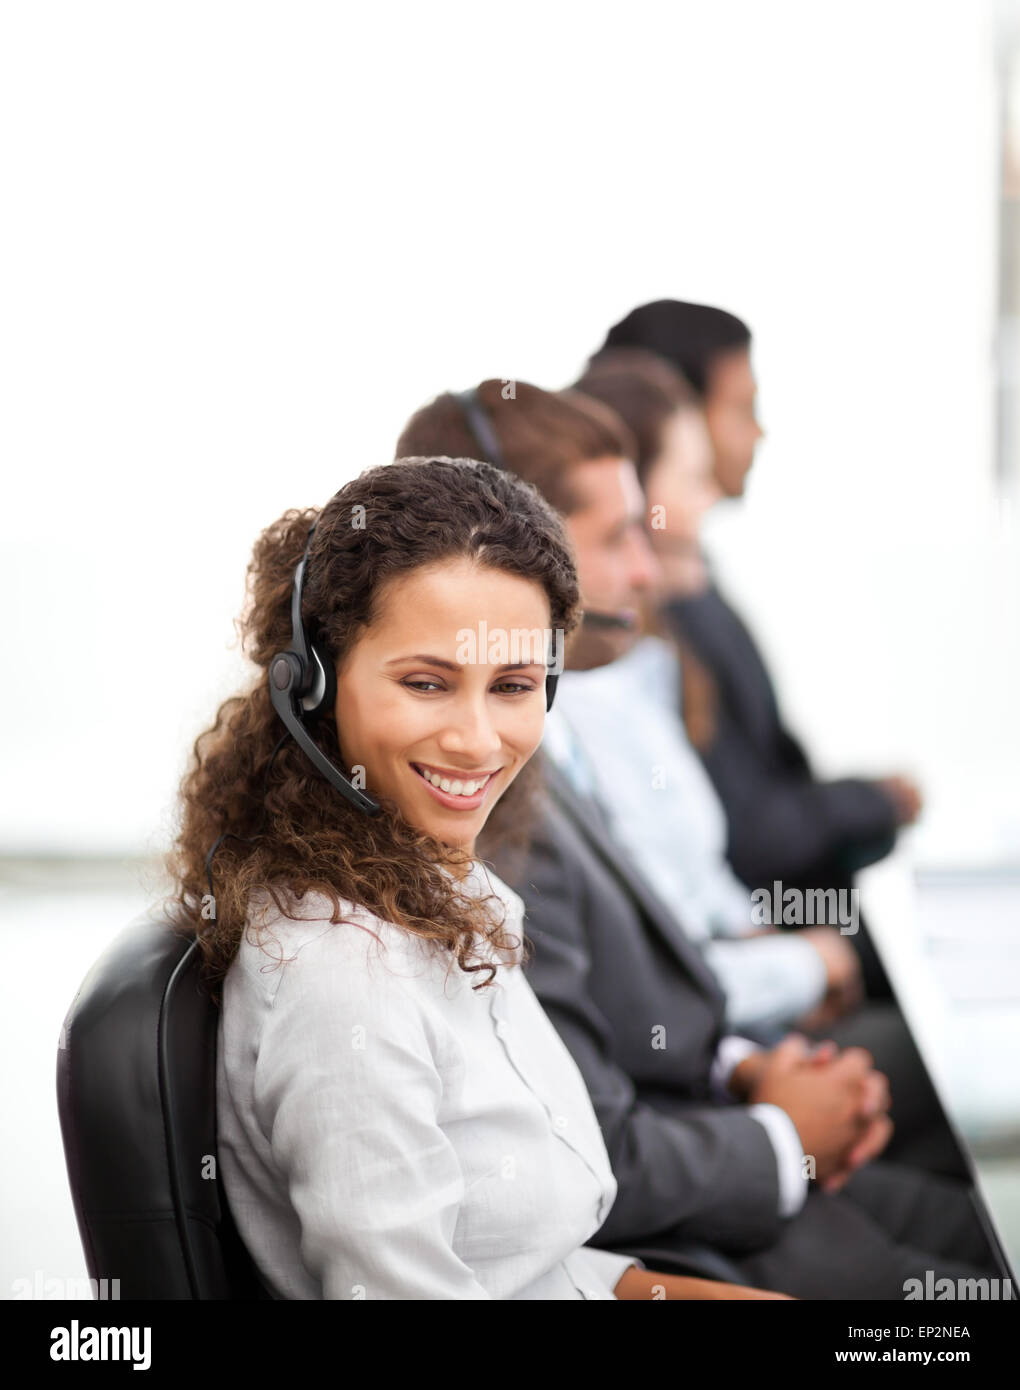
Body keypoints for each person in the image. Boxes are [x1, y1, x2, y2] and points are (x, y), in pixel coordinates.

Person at [395, 383, 998, 1297]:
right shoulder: (487, 811)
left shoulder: (555, 755)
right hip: (694, 1228)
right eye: (615, 539)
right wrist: (783, 1133)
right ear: (511, 551)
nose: (647, 572)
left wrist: (751, 1068)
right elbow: (586, 1153)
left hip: (722, 1128)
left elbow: (649, 999)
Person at [164, 456, 784, 1301]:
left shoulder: (434, 893)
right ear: (311, 684)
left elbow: (531, 1268)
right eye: (426, 683)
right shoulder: (344, 979)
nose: (477, 739)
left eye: (514, 687)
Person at [591, 302, 923, 932]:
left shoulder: (685, 597)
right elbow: (745, 840)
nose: (757, 434)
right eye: (742, 409)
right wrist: (872, 804)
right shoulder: (634, 640)